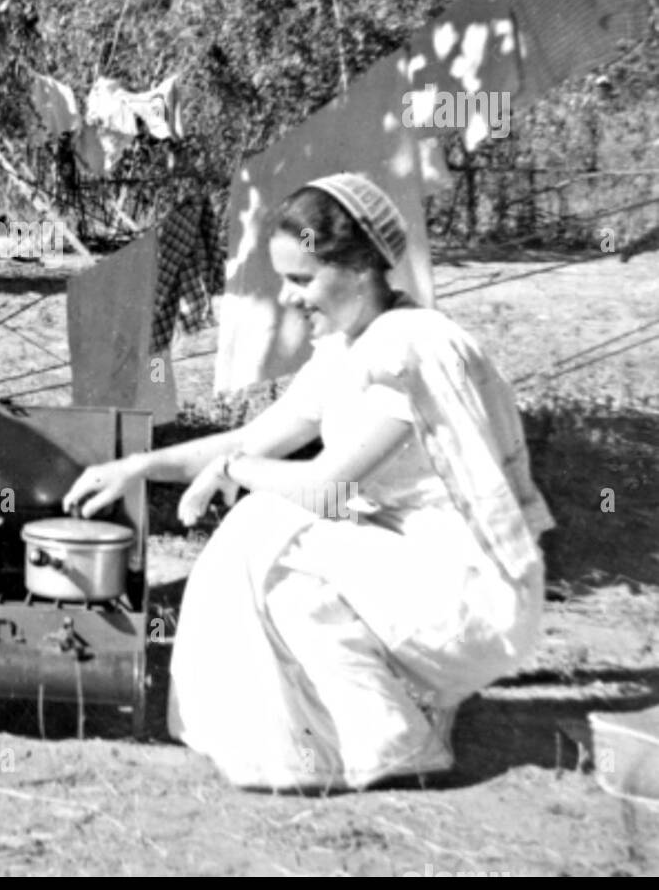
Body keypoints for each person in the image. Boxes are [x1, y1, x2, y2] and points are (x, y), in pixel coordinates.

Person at [64, 172, 552, 792]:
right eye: (284, 281)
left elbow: (326, 488)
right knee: (284, 578)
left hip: (475, 593)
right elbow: (253, 440)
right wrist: (139, 466)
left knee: (267, 525)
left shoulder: (408, 351)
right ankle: (394, 740)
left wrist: (235, 475)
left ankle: (390, 722)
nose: (290, 298)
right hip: (414, 569)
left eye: (302, 280)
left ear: (360, 268)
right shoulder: (350, 346)